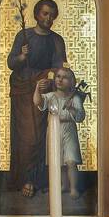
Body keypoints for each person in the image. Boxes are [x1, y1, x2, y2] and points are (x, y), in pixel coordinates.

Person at [6, 0, 67, 196]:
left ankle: (34, 179)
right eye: (45, 13)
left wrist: (48, 79)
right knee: (23, 136)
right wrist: (22, 57)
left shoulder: (56, 40)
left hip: (42, 91)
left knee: (36, 136)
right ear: (36, 14)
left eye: (52, 14)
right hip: (22, 91)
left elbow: (59, 67)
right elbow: (11, 62)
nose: (49, 18)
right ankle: (23, 179)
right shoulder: (24, 36)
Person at [33, 66, 86, 196]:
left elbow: (80, 117)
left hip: (69, 130)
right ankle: (64, 186)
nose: (60, 80)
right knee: (58, 161)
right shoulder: (51, 96)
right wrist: (37, 89)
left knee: (71, 160)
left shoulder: (75, 99)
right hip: (54, 130)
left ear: (71, 82)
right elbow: (38, 102)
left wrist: (71, 109)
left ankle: (73, 188)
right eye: (58, 76)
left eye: (65, 77)